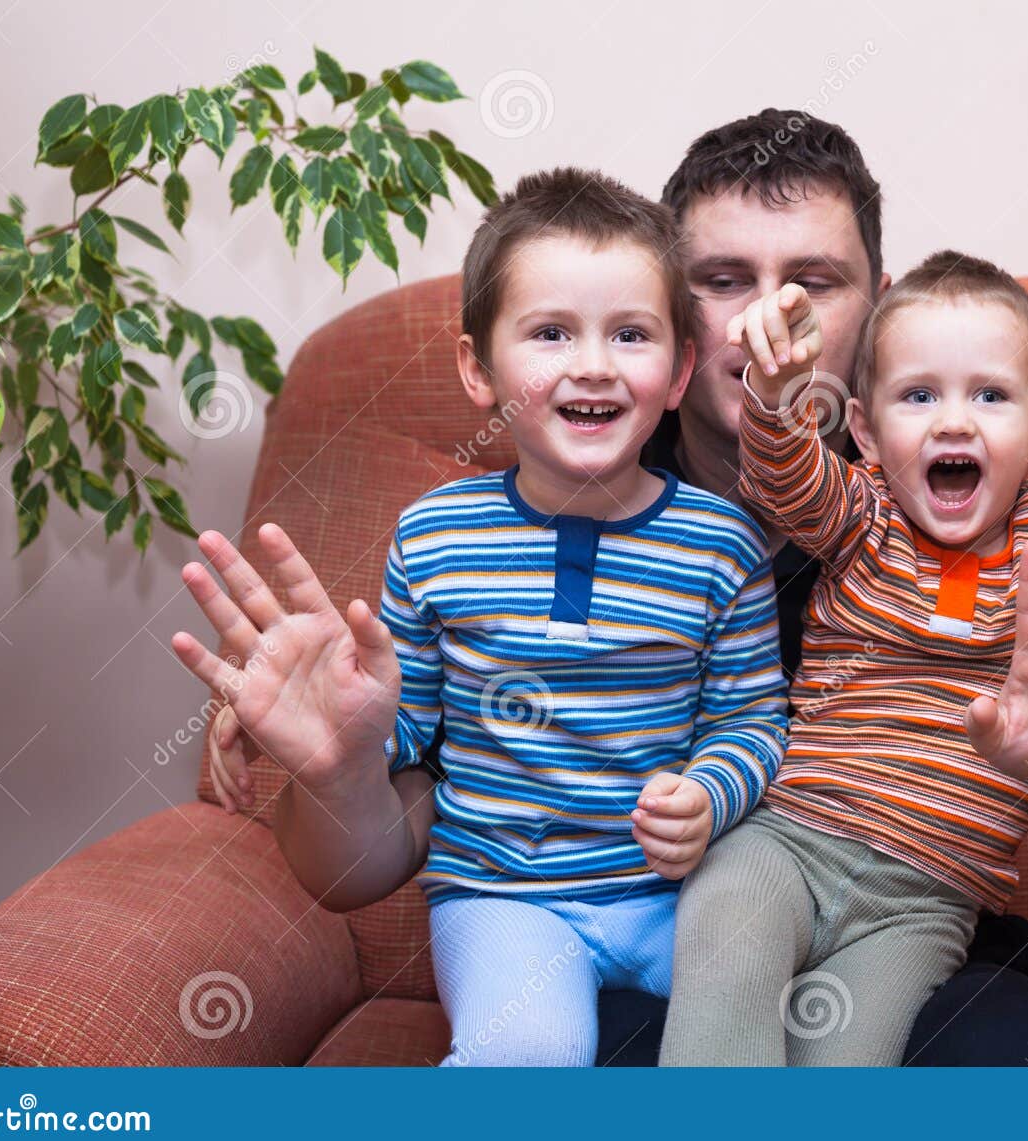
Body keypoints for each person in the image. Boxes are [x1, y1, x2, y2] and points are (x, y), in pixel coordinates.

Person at [174, 167, 788, 1066]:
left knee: (789, 1032)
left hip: (678, 898)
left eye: (630, 334)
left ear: (678, 372)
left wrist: (709, 790)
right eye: (549, 333)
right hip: (506, 900)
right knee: (526, 1057)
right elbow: (397, 725)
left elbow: (751, 720)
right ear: (477, 367)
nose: (592, 363)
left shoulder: (722, 543)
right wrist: (304, 730)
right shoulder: (435, 535)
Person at [659, 247, 1028, 1064]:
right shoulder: (862, 516)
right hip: (786, 843)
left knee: (842, 1077)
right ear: (867, 432)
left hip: (926, 901)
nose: (955, 421)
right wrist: (772, 393)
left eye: (991, 395)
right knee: (723, 983)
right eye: (919, 396)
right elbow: (781, 479)